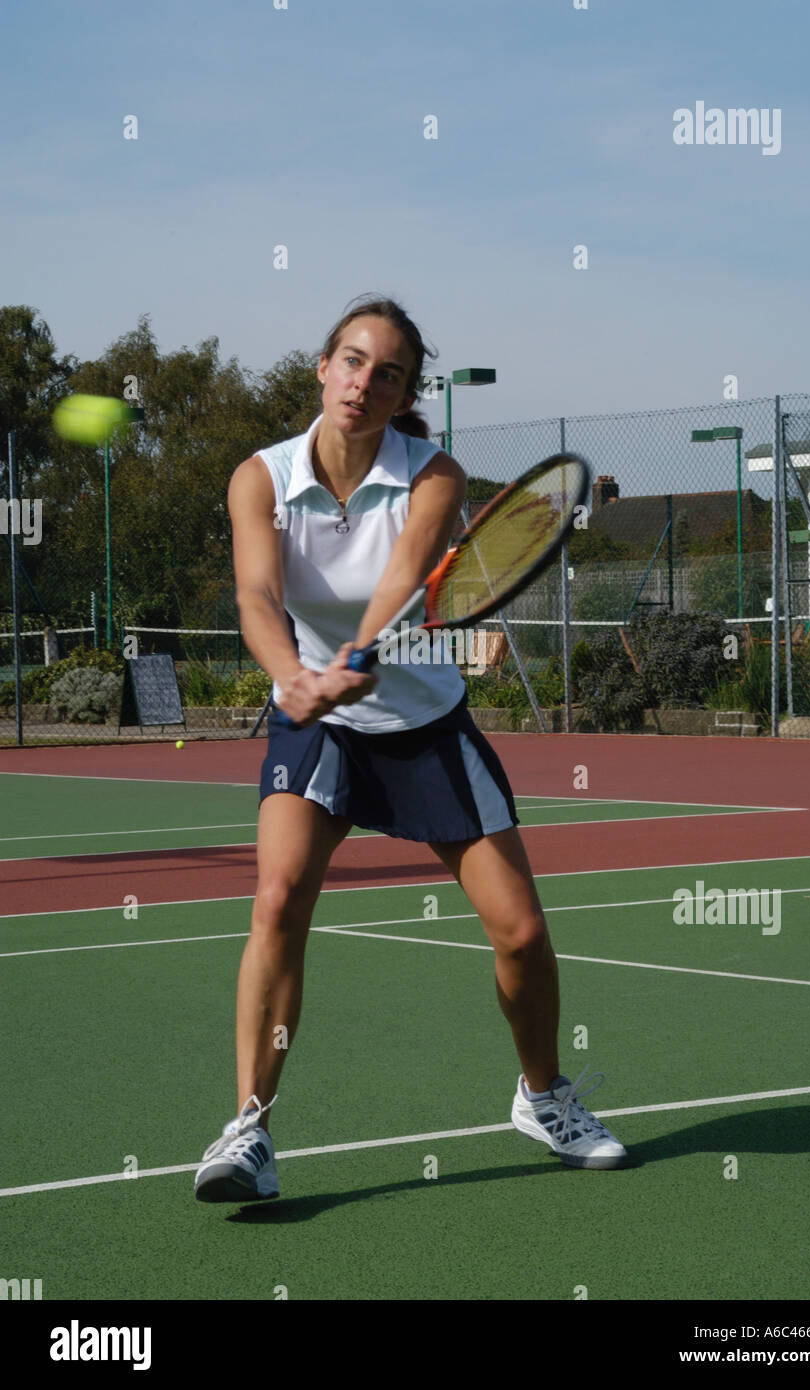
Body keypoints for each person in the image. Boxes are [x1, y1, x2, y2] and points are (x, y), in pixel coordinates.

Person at [194, 295, 627, 1202]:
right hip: (318, 732)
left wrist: (356, 656)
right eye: (351, 361)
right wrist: (298, 680)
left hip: (426, 729)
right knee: (276, 903)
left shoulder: (435, 475)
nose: (363, 383)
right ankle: (248, 1130)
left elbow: (400, 582)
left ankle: (542, 1094)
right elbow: (256, 599)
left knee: (522, 932)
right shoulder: (260, 478)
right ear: (322, 367)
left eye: (386, 373)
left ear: (402, 393)